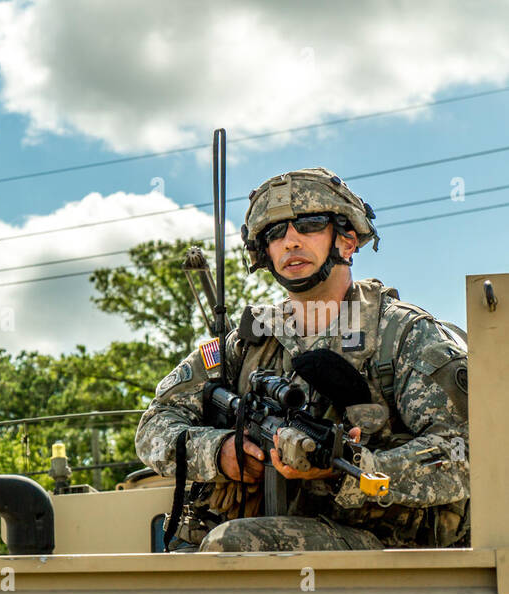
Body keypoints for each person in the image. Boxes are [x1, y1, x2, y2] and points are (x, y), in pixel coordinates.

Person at [135, 168, 469, 552]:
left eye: (308, 225)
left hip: (384, 554)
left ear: (347, 239)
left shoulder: (403, 335)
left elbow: (465, 454)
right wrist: (221, 451)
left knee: (234, 545)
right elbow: (153, 428)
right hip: (262, 541)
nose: (290, 240)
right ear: (264, 252)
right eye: (275, 233)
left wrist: (353, 467)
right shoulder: (246, 344)